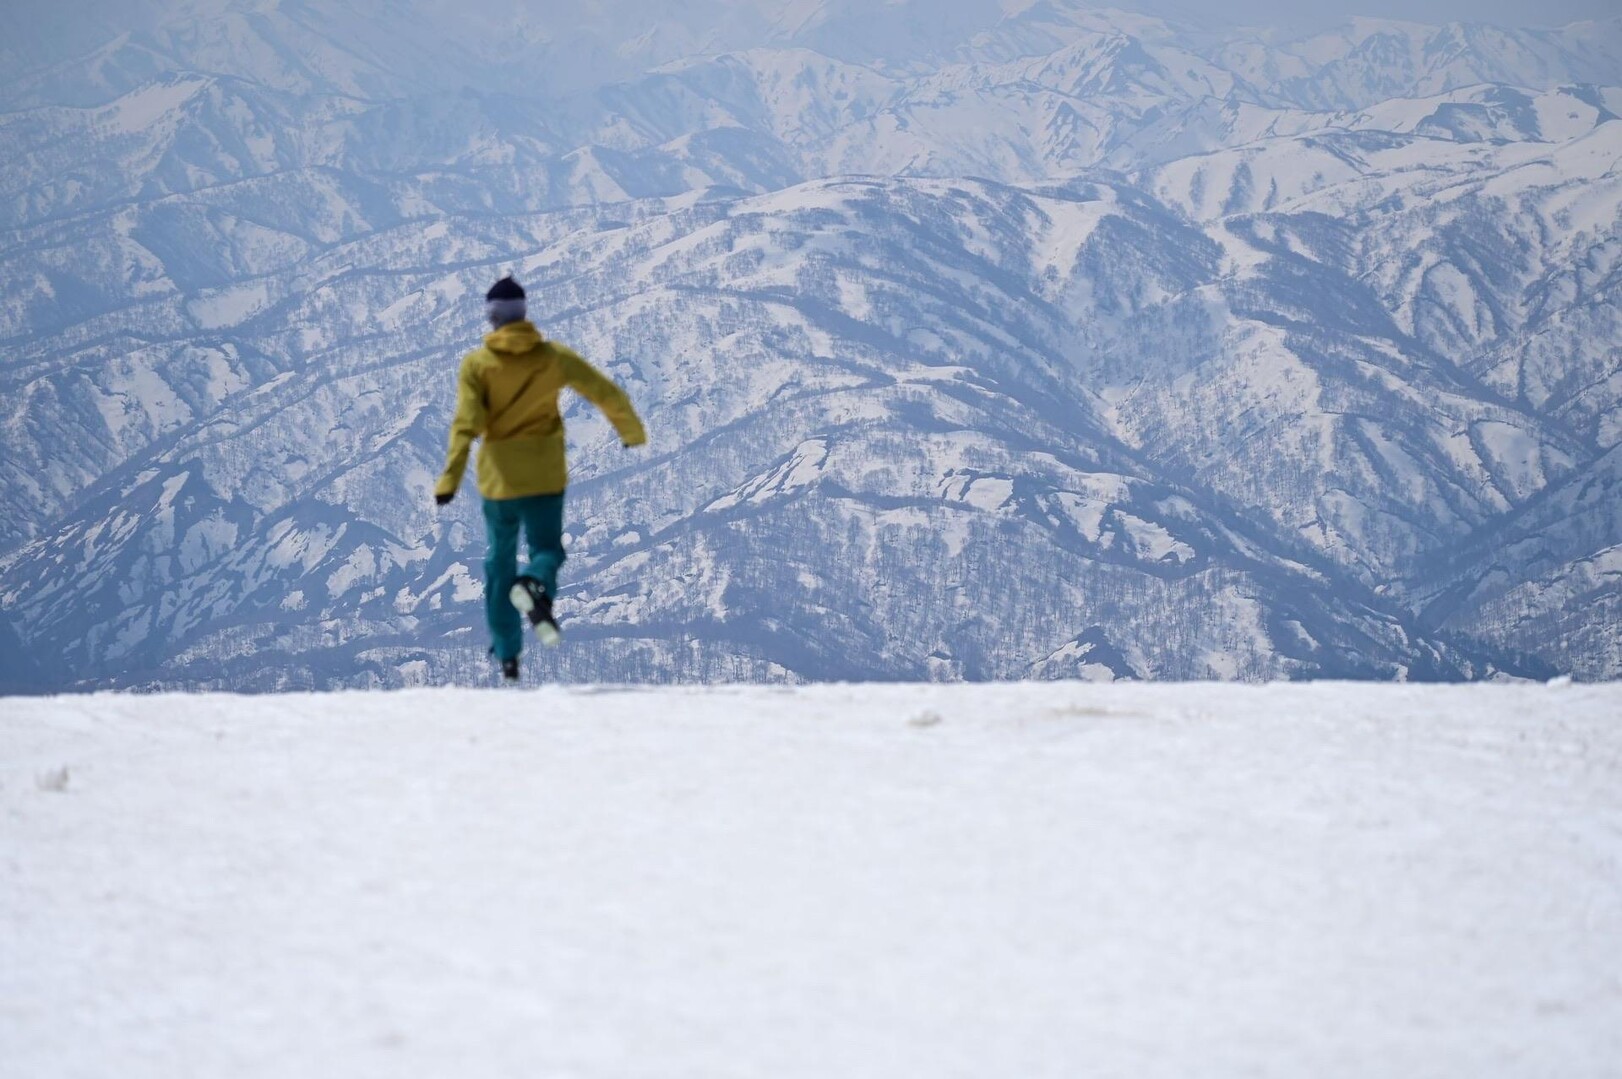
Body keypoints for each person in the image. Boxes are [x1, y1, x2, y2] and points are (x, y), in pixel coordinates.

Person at [434, 275, 647, 681]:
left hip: (499, 480)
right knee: (547, 549)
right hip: (546, 476)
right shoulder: (553, 357)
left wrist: (449, 480)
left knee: (498, 564)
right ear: (524, 313)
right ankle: (534, 584)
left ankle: (508, 652)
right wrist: (631, 433)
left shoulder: (477, 365)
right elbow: (605, 392)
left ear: (492, 317)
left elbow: (466, 424)